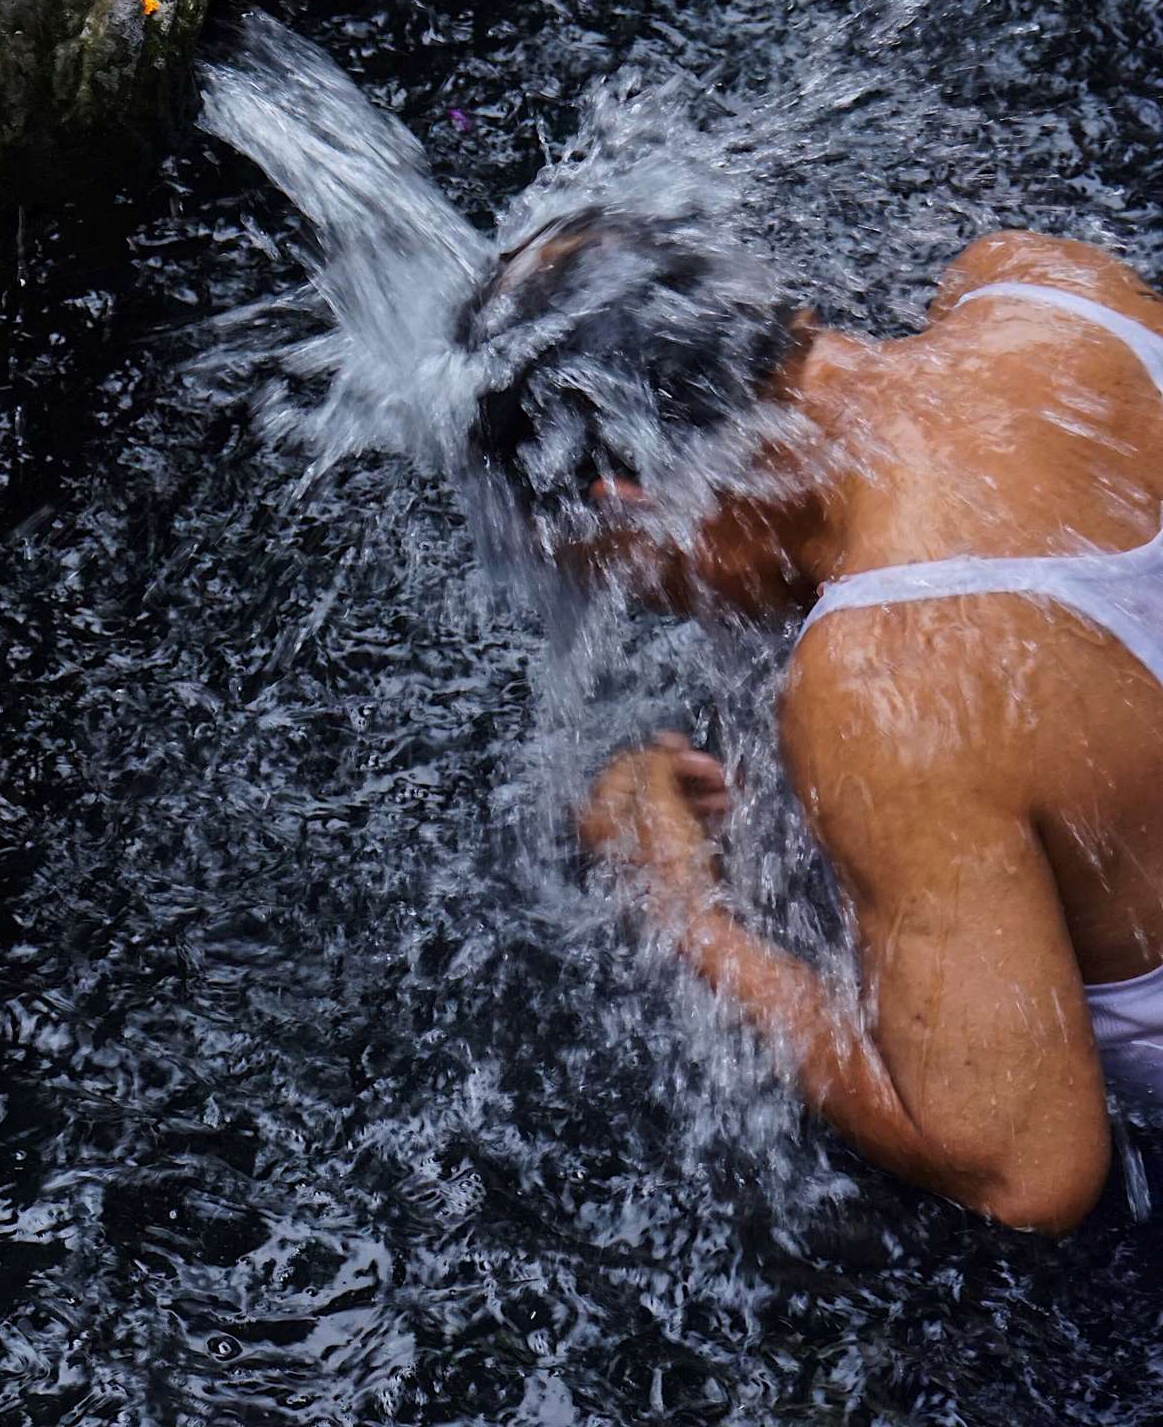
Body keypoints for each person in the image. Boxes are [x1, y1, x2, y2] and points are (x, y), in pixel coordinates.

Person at [458, 211, 1163, 1234]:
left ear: (628, 501)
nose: (679, 612)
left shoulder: (888, 687)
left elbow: (1028, 1172)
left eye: (627, 582)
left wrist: (681, 911)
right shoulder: (1046, 293)